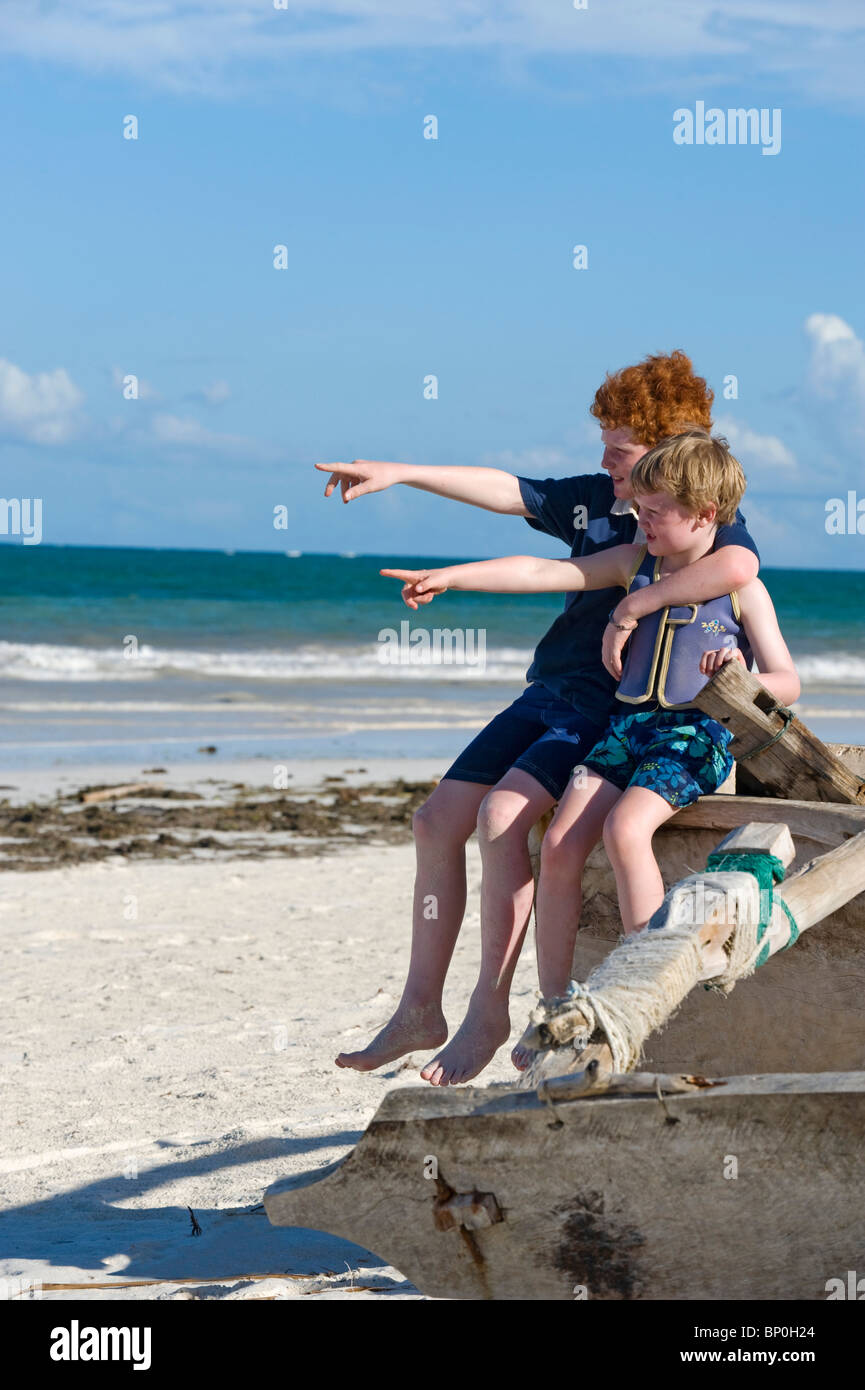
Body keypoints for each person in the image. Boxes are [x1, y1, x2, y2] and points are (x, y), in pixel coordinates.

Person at [319, 352, 760, 1086]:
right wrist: (405, 477)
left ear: (667, 455)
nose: (603, 460)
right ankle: (417, 1009)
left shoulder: (693, 518)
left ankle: (490, 1011)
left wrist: (634, 604)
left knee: (500, 819)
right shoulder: (598, 500)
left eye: (618, 450)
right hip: (547, 690)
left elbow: (736, 569)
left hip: (608, 709)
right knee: (435, 821)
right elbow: (515, 510)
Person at [382, 430, 800, 1072]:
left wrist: (739, 678)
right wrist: (453, 577)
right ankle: (556, 1011)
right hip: (627, 729)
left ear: (704, 515)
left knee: (626, 829)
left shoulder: (742, 589)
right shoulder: (635, 562)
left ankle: (643, 990)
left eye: (655, 512)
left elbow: (787, 681)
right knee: (557, 843)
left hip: (693, 735)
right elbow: (547, 571)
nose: (641, 520)